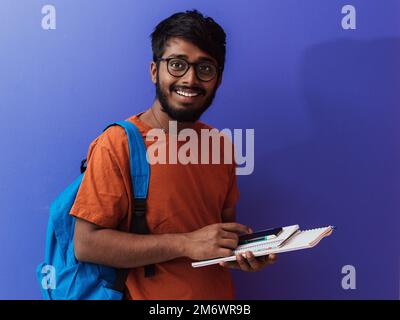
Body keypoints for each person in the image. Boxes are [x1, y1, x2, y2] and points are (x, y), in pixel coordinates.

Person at [70, 9, 276, 300]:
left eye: (205, 68)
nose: (190, 79)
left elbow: (217, 238)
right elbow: (86, 244)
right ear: (155, 71)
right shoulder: (117, 143)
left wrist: (242, 253)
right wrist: (185, 244)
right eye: (177, 64)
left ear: (218, 79)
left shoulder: (220, 146)